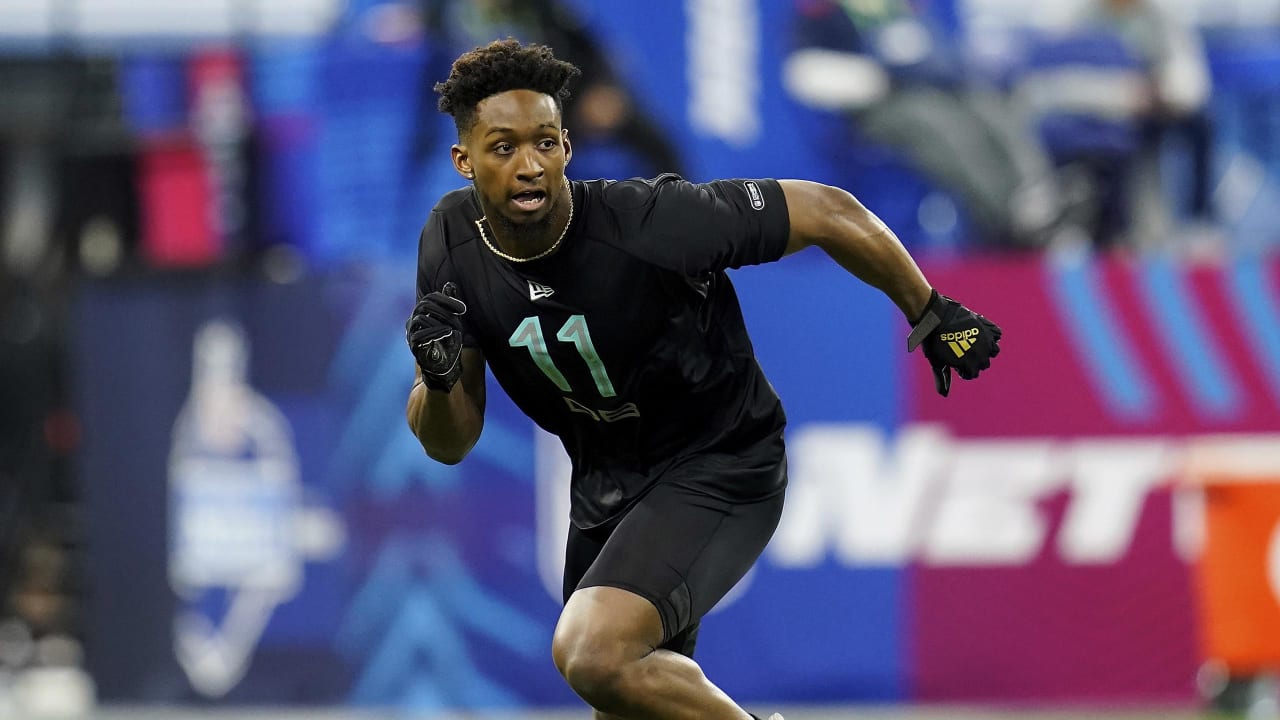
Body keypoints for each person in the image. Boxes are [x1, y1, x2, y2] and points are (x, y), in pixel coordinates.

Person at [404, 39, 1002, 720]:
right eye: (503, 147)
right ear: (463, 161)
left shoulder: (648, 223)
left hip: (722, 462)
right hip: (608, 490)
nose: (529, 164)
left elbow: (829, 211)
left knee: (594, 653)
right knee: (621, 691)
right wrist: (438, 377)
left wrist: (930, 312)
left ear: (568, 146)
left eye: (544, 141)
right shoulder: (448, 243)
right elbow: (448, 441)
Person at [783, 0, 1073, 249]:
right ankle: (1009, 217)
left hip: (936, 89)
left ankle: (1039, 197)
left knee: (989, 108)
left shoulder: (904, 7)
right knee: (942, 127)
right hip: (881, 107)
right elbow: (806, 71)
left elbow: (932, 50)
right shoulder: (824, 11)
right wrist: (879, 79)